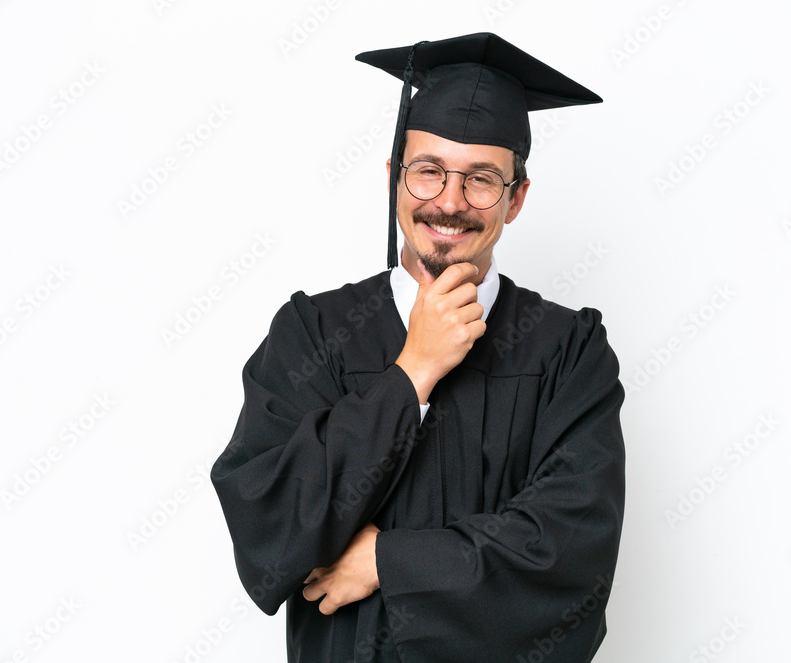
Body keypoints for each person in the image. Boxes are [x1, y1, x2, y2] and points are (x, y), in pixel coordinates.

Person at [211, 32, 625, 662]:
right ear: (393, 180)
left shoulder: (568, 353)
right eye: (428, 171)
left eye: (482, 179)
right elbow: (271, 530)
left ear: (516, 198)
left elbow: (570, 556)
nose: (450, 202)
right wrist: (412, 373)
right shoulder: (314, 334)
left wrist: (386, 561)